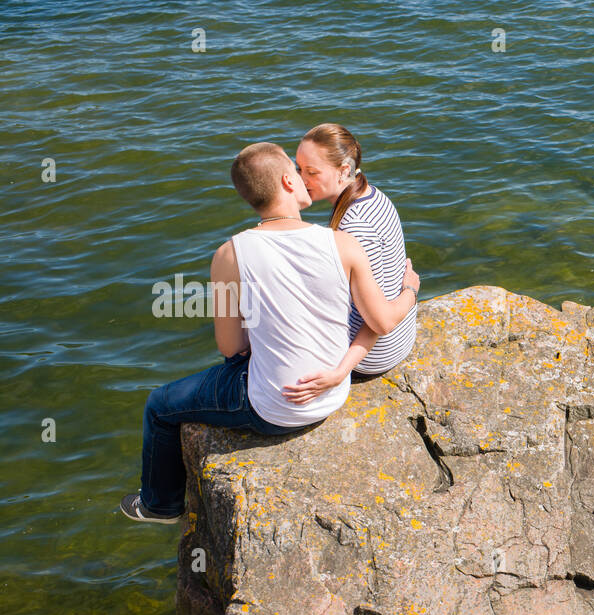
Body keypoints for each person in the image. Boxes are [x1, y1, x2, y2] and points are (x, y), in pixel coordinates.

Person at [119, 141, 419, 524]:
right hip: (333, 393)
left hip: (273, 410)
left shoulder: (229, 254)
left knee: (160, 406)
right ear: (287, 181)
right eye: (298, 170)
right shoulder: (343, 244)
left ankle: (159, 506)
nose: (304, 177)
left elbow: (230, 347)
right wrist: (410, 290)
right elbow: (380, 320)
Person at [281, 124, 417, 407]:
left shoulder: (354, 228)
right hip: (400, 339)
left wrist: (338, 374)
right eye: (299, 168)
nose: (300, 179)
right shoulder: (370, 193)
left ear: (343, 170)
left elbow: (381, 321)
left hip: (374, 354)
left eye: (311, 172)